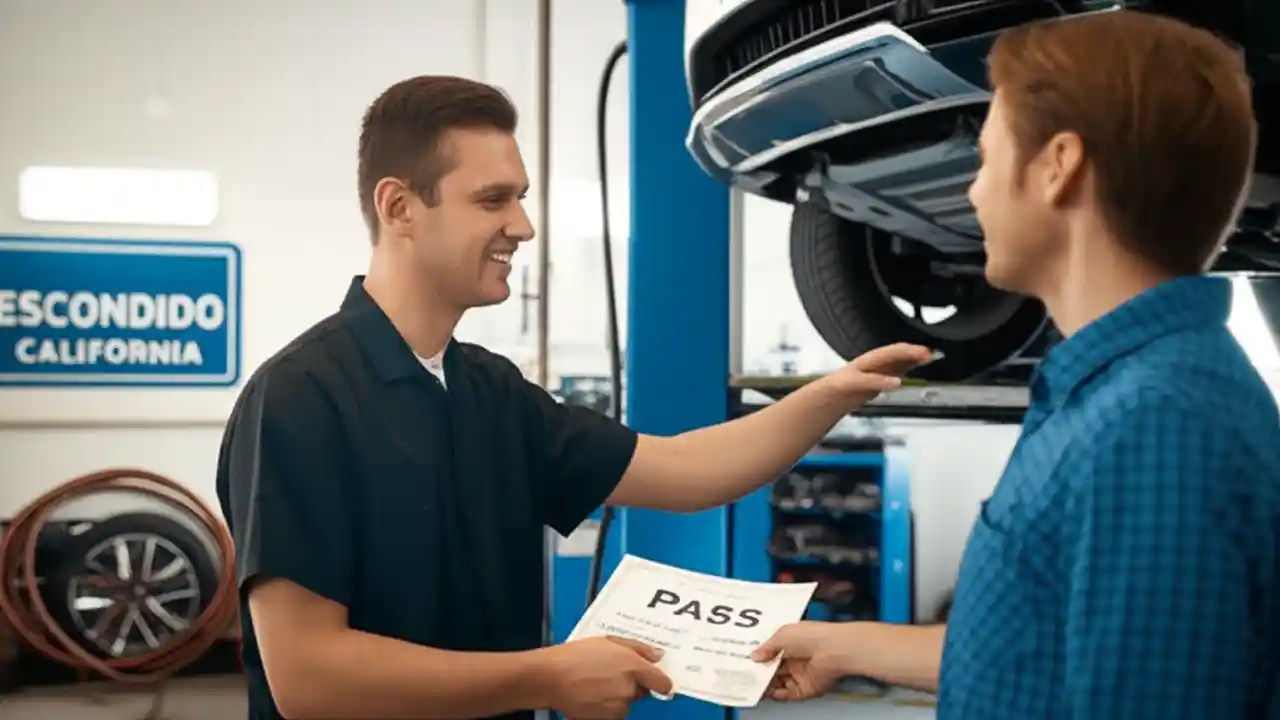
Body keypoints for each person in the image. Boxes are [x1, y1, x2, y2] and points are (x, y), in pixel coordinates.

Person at [214, 74, 935, 720]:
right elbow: (308, 678)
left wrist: (834, 393)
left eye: (521, 199)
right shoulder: (302, 398)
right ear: (399, 206)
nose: (522, 227)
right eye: (492, 200)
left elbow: (690, 471)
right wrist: (545, 677)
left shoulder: (489, 391)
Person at [751, 10, 1280, 719]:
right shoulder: (1114, 394)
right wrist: (845, 647)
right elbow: (1051, 645)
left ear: (1059, 167)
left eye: (988, 156)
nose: (972, 193)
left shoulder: (1156, 426)